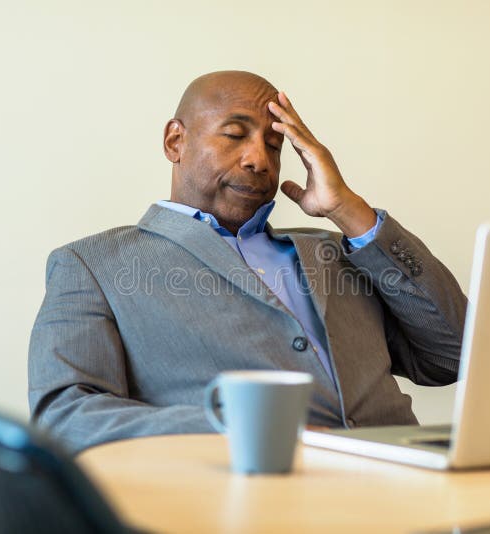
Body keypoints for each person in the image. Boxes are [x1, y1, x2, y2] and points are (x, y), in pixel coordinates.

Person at [28, 71, 467, 453]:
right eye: (235, 135)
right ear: (175, 141)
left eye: (274, 144)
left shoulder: (340, 252)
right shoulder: (93, 264)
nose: (259, 159)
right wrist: (236, 430)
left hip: (411, 492)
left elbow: (453, 355)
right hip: (253, 501)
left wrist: (349, 211)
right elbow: (66, 417)